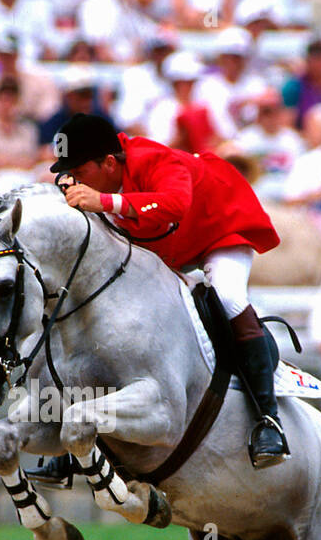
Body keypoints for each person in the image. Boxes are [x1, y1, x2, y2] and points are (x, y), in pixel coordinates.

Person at [44, 111, 287, 476]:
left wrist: (104, 203)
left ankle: (269, 421)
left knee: (228, 297)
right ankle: (80, 440)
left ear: (109, 162)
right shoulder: (100, 182)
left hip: (218, 230)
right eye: (70, 171)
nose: (74, 179)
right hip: (169, 246)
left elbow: (175, 205)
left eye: (79, 170)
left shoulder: (158, 160)